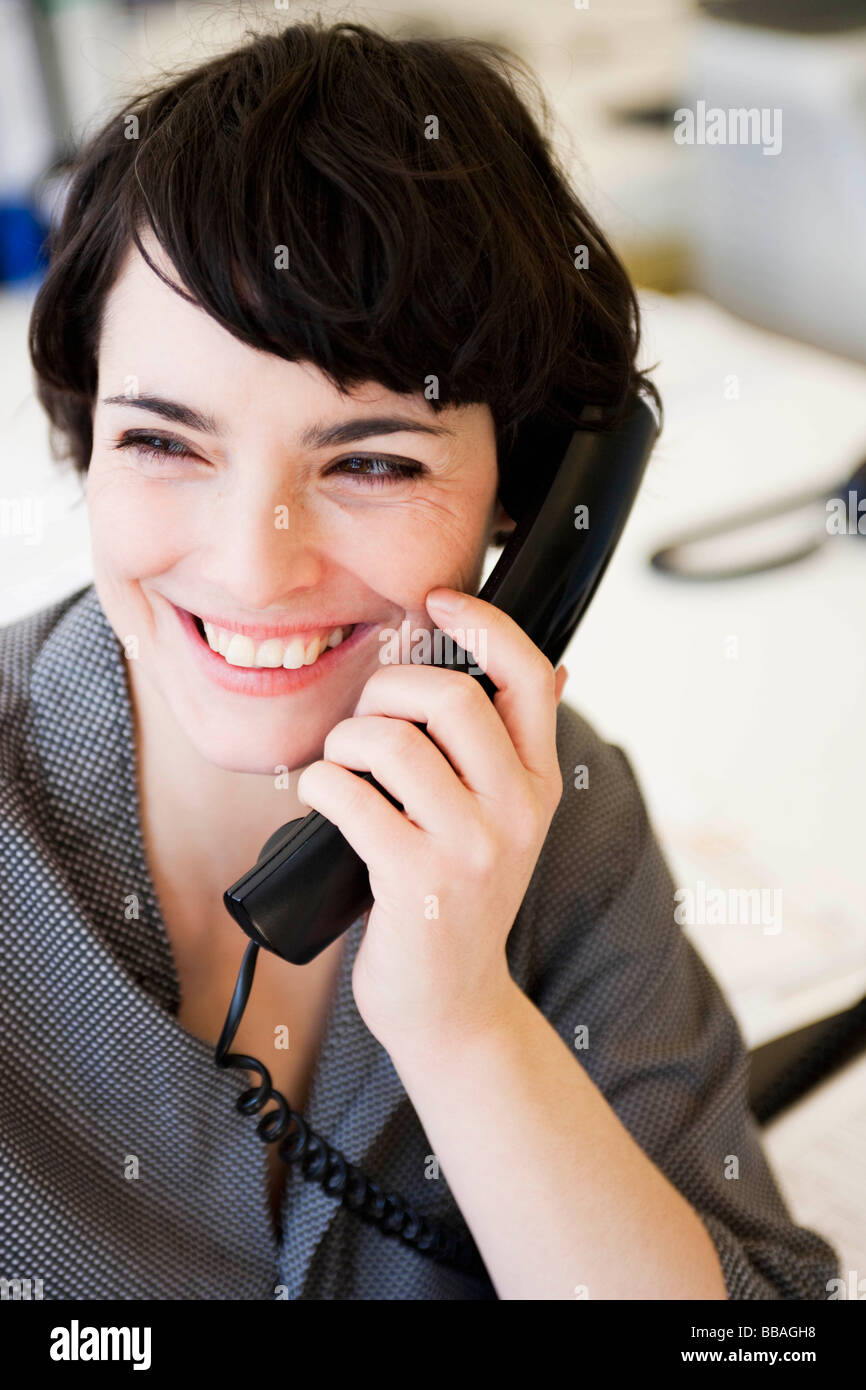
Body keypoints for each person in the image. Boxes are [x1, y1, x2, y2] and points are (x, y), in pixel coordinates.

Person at [1, 19, 838, 1300]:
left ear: (536, 500)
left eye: (373, 462)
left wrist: (464, 1024)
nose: (252, 566)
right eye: (165, 442)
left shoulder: (555, 811)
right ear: (84, 431)